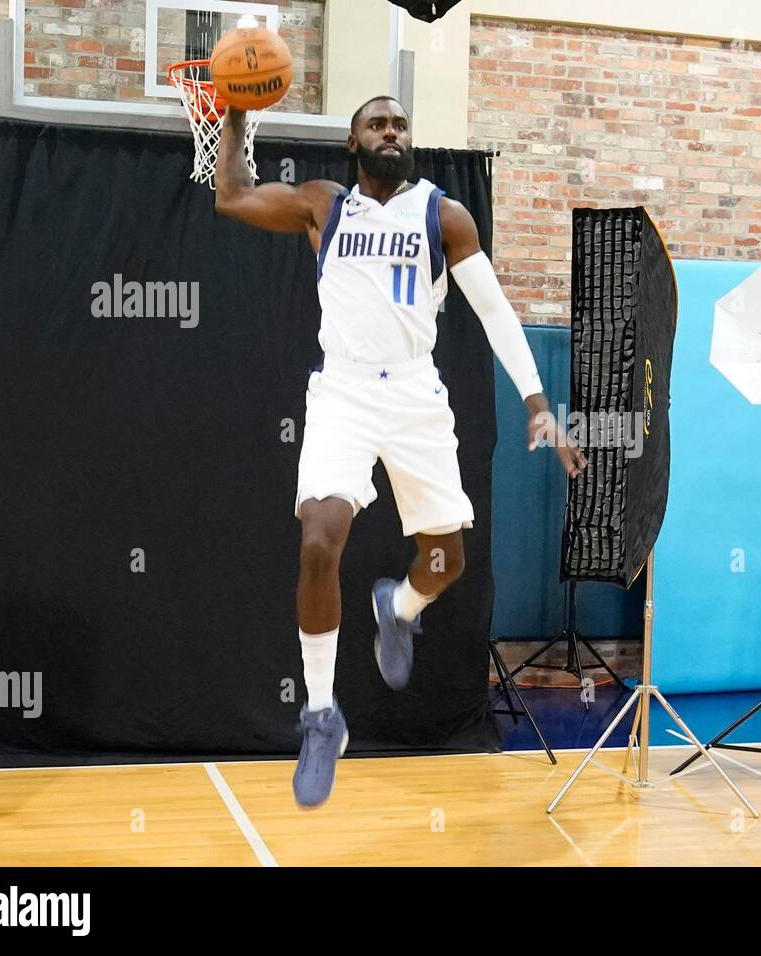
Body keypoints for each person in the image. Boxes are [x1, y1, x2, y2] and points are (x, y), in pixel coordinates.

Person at [214, 94, 585, 808]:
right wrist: (233, 114)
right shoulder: (324, 206)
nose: (391, 131)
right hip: (343, 393)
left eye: (400, 124)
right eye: (376, 124)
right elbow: (231, 195)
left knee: (447, 559)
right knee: (320, 541)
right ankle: (321, 715)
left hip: (416, 394)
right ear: (353, 143)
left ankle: (403, 608)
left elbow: (495, 310)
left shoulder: (444, 216)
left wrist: (538, 401)